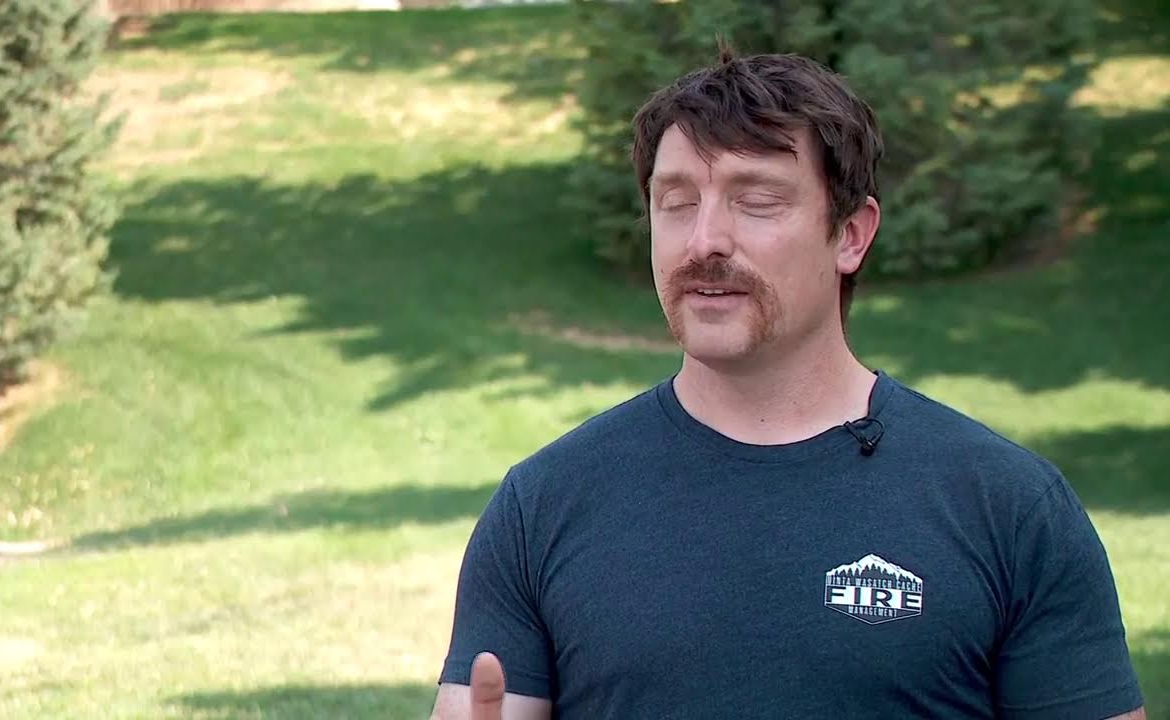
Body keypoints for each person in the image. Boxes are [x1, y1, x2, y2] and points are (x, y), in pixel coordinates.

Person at [429, 49, 1146, 720]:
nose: (704, 240)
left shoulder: (1007, 508)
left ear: (851, 234)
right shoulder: (543, 507)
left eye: (757, 200)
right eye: (676, 201)